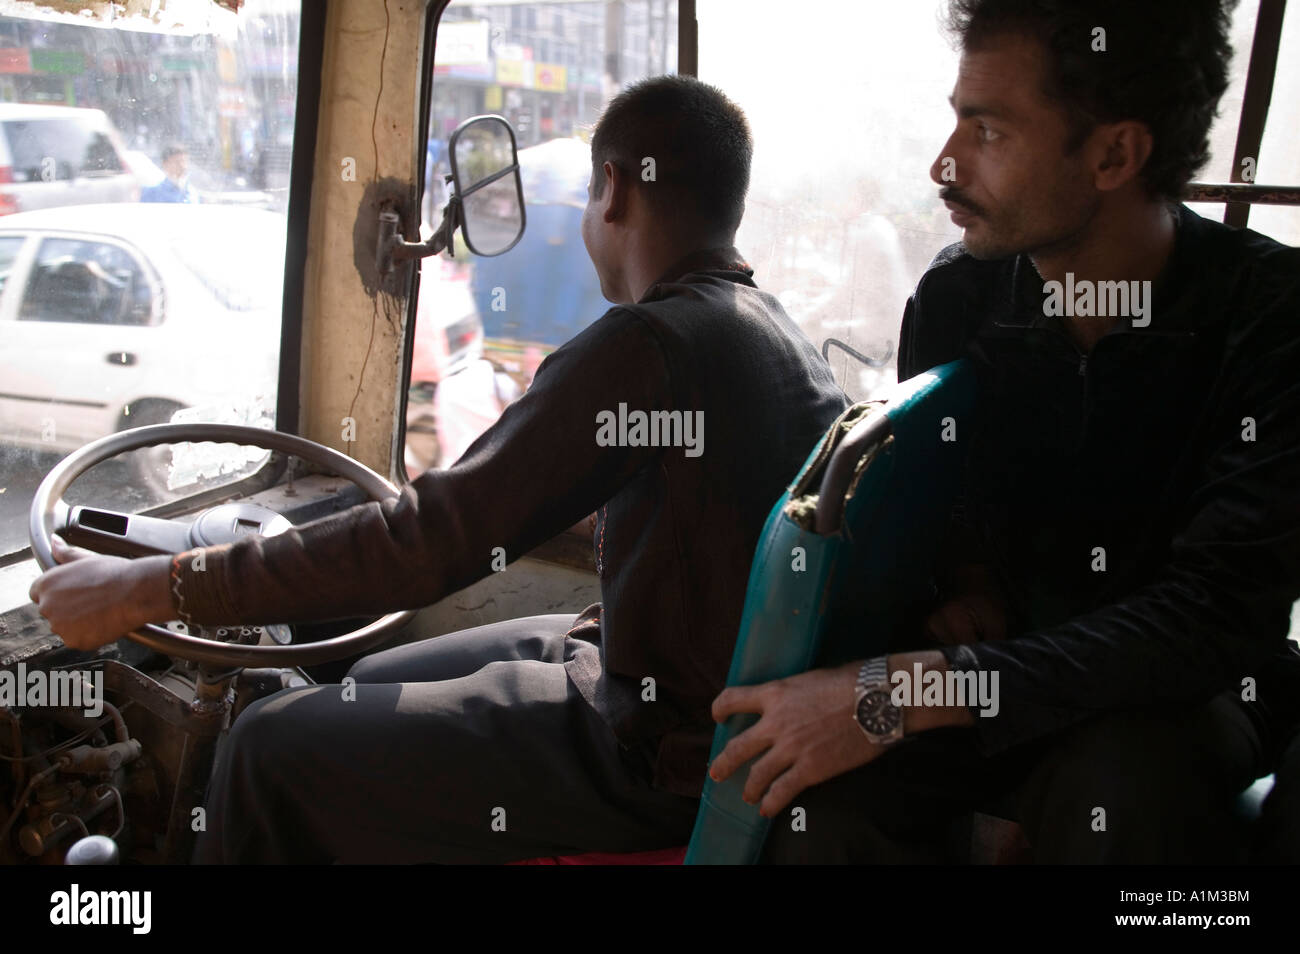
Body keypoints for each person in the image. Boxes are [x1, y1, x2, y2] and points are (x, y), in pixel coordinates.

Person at [28, 76, 848, 863]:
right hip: (667, 676)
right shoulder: (773, 331)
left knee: (263, 749)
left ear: (613, 189)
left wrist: (158, 587)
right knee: (368, 676)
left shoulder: (648, 346)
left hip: (660, 746)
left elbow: (430, 543)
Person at [708, 0, 1300, 863]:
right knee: (809, 801)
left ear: (1114, 155)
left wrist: (903, 693)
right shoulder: (962, 295)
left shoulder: (1269, 316)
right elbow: (942, 502)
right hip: (991, 667)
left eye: (987, 132)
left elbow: (1214, 617)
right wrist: (968, 579)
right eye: (956, 121)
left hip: (1186, 692)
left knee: (1120, 786)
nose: (943, 165)